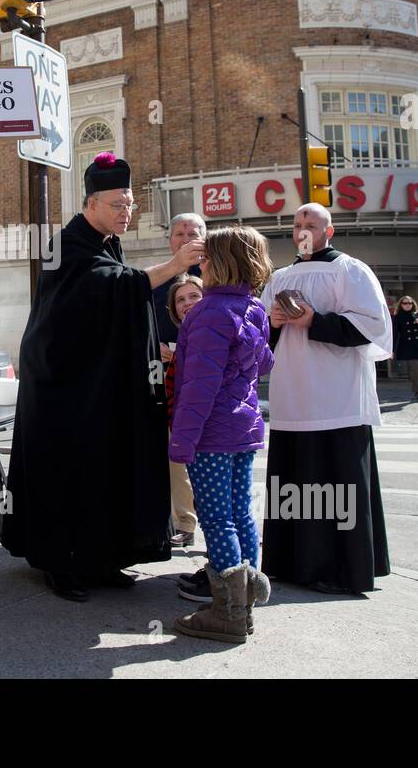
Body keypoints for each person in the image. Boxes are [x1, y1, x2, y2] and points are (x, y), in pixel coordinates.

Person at [2, 152, 205, 602]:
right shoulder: (67, 242)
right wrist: (171, 268)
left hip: (97, 386)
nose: (126, 212)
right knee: (67, 473)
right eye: (117, 204)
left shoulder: (108, 241)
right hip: (61, 386)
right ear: (90, 203)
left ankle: (102, 557)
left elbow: (114, 294)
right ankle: (62, 562)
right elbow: (101, 289)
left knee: (106, 468)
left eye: (130, 204)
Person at [259, 203, 392, 595]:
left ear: (328, 231)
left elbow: (372, 328)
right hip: (292, 397)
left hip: (338, 399)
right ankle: (291, 563)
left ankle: (340, 568)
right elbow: (259, 334)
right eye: (298, 224)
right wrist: (273, 323)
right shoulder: (279, 277)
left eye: (311, 224)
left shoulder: (350, 270)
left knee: (338, 485)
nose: (303, 230)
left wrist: (313, 320)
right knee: (293, 484)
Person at [169, 227, 274, 643]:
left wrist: (182, 440)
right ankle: (243, 604)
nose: (201, 264)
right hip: (244, 427)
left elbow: (199, 386)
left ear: (222, 262)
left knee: (216, 518)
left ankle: (227, 612)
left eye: (207, 258)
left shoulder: (208, 313)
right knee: (240, 513)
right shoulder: (254, 309)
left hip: (212, 432)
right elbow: (264, 363)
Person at [154, 214, 205, 549]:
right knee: (173, 457)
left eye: (193, 233)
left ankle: (203, 519)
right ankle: (181, 521)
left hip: (208, 385)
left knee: (209, 457)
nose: (186, 238)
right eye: (179, 233)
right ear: (170, 239)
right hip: (164, 383)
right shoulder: (155, 279)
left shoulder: (220, 277)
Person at [163, 274, 204, 549]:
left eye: (194, 296)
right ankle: (184, 525)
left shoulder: (211, 327)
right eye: (180, 299)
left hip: (207, 417)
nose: (187, 303)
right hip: (178, 415)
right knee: (178, 470)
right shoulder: (184, 333)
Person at [392, 296, 418, 401]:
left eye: (410, 303)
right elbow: (395, 334)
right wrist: (392, 350)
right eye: (405, 303)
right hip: (407, 347)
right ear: (401, 305)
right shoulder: (397, 317)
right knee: (416, 370)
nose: (408, 305)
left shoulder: (417, 314)